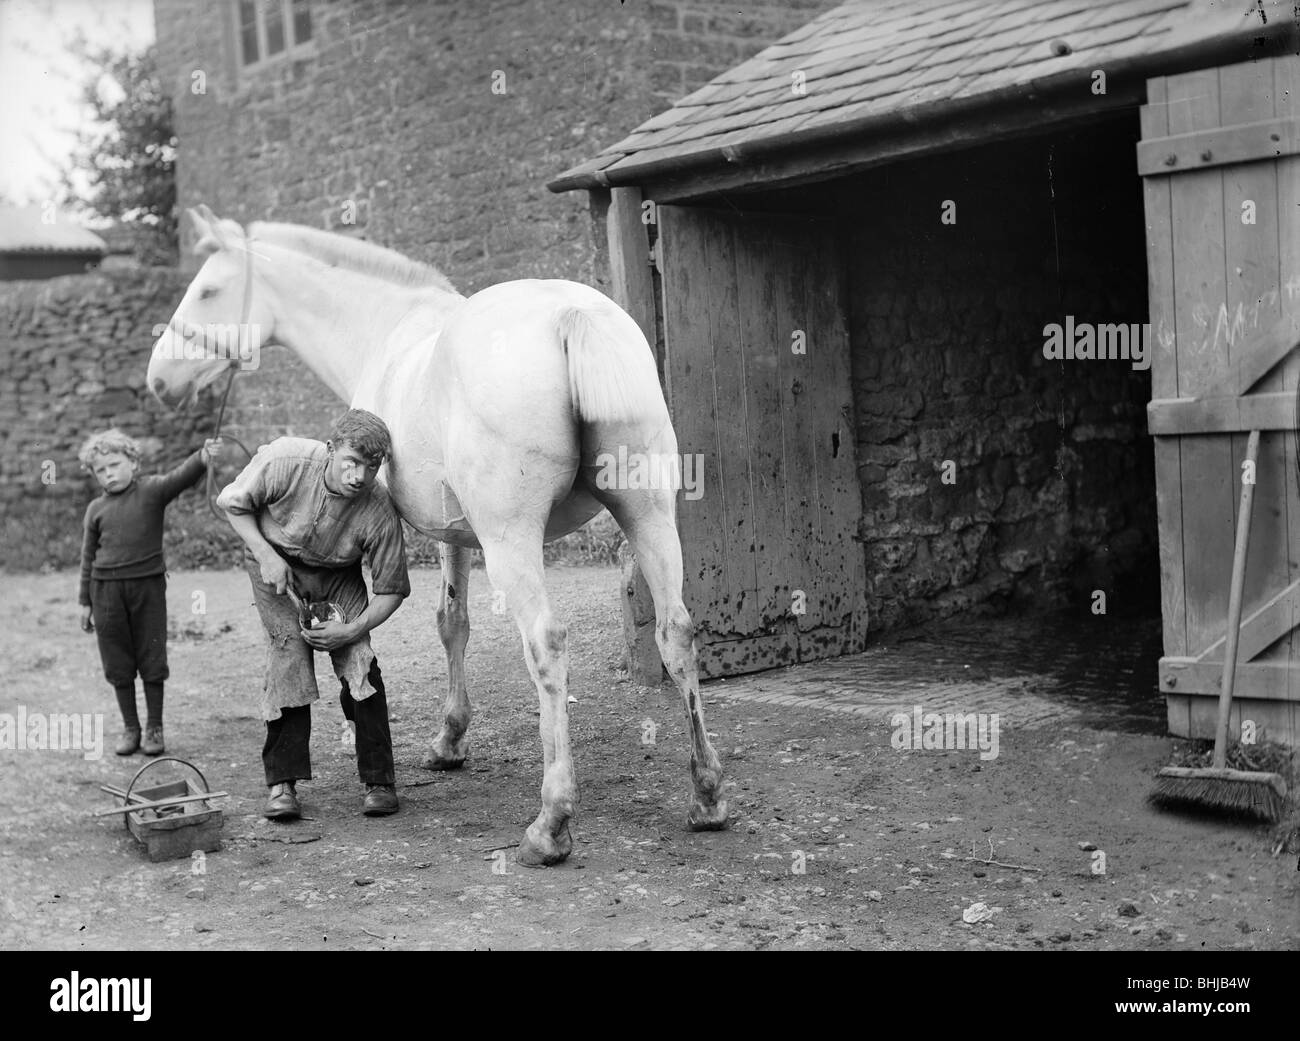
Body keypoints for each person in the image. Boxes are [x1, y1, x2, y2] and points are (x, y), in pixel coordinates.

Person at [216, 409, 410, 820]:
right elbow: (231, 503)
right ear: (330, 450)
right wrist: (267, 555)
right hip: (274, 561)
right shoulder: (286, 460)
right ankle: (282, 784)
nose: (359, 476)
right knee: (289, 656)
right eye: (351, 463)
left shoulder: (378, 510)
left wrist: (351, 629)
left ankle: (379, 780)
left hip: (338, 575)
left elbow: (391, 591)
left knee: (360, 662)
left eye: (371, 467)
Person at [78, 429, 224, 755]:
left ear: (133, 462)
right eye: (100, 470)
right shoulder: (95, 510)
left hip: (147, 587)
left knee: (152, 655)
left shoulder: (152, 491)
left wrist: (202, 457)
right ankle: (131, 728)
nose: (109, 473)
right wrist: (85, 602)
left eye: (114, 464)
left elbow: (180, 478)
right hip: (106, 593)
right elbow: (87, 558)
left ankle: (154, 728)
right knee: (117, 661)